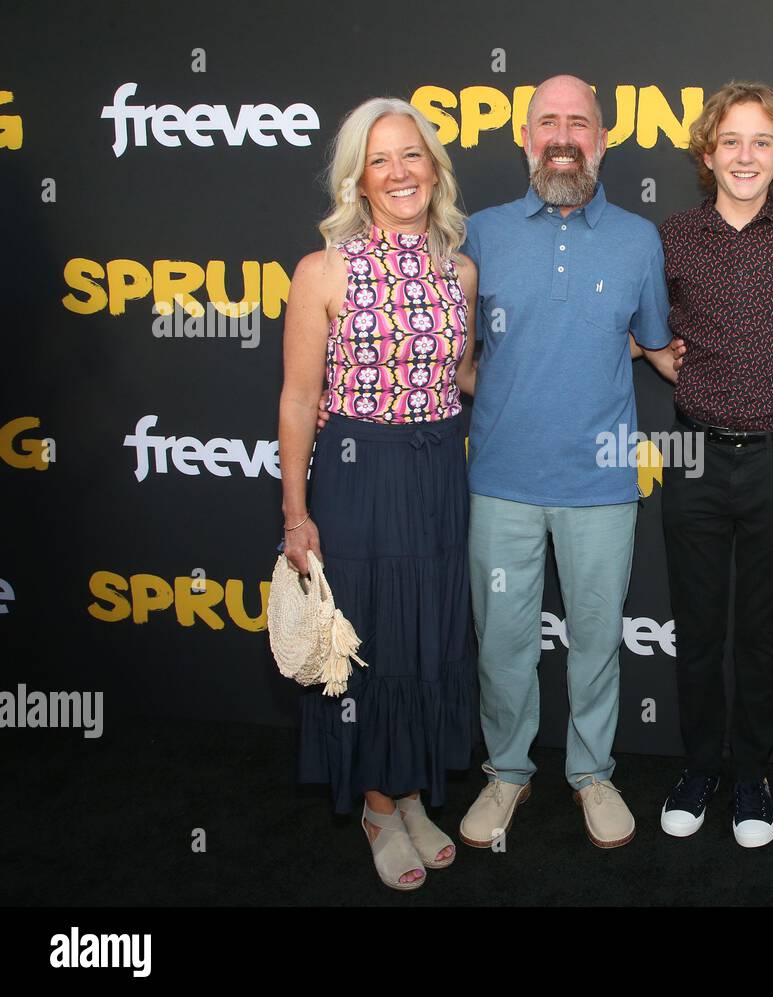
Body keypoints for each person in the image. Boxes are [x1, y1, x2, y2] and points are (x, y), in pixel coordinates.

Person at [454, 75, 673, 850]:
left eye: (579, 123)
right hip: (502, 482)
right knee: (503, 639)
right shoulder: (481, 233)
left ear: (603, 139)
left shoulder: (639, 239)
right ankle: (507, 771)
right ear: (524, 136)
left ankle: (592, 771)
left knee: (595, 637)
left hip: (602, 484)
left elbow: (655, 346)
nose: (563, 136)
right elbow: (458, 357)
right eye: (548, 121)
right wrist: (512, 397)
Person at [278, 97, 477, 891]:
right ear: (359, 180)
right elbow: (297, 398)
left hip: (438, 475)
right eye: (380, 160)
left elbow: (463, 378)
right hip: (359, 474)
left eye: (412, 156)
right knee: (365, 644)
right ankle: (374, 804)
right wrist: (296, 511)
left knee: (427, 636)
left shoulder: (459, 268)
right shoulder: (322, 270)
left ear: (434, 168)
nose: (399, 173)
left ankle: (412, 790)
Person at [637, 82, 773, 847]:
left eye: (761, 143)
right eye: (732, 141)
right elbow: (635, 322)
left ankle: (752, 775)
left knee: (760, 629)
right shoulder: (668, 237)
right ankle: (700, 765)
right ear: (708, 154)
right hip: (694, 454)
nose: (746, 155)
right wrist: (676, 367)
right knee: (701, 625)